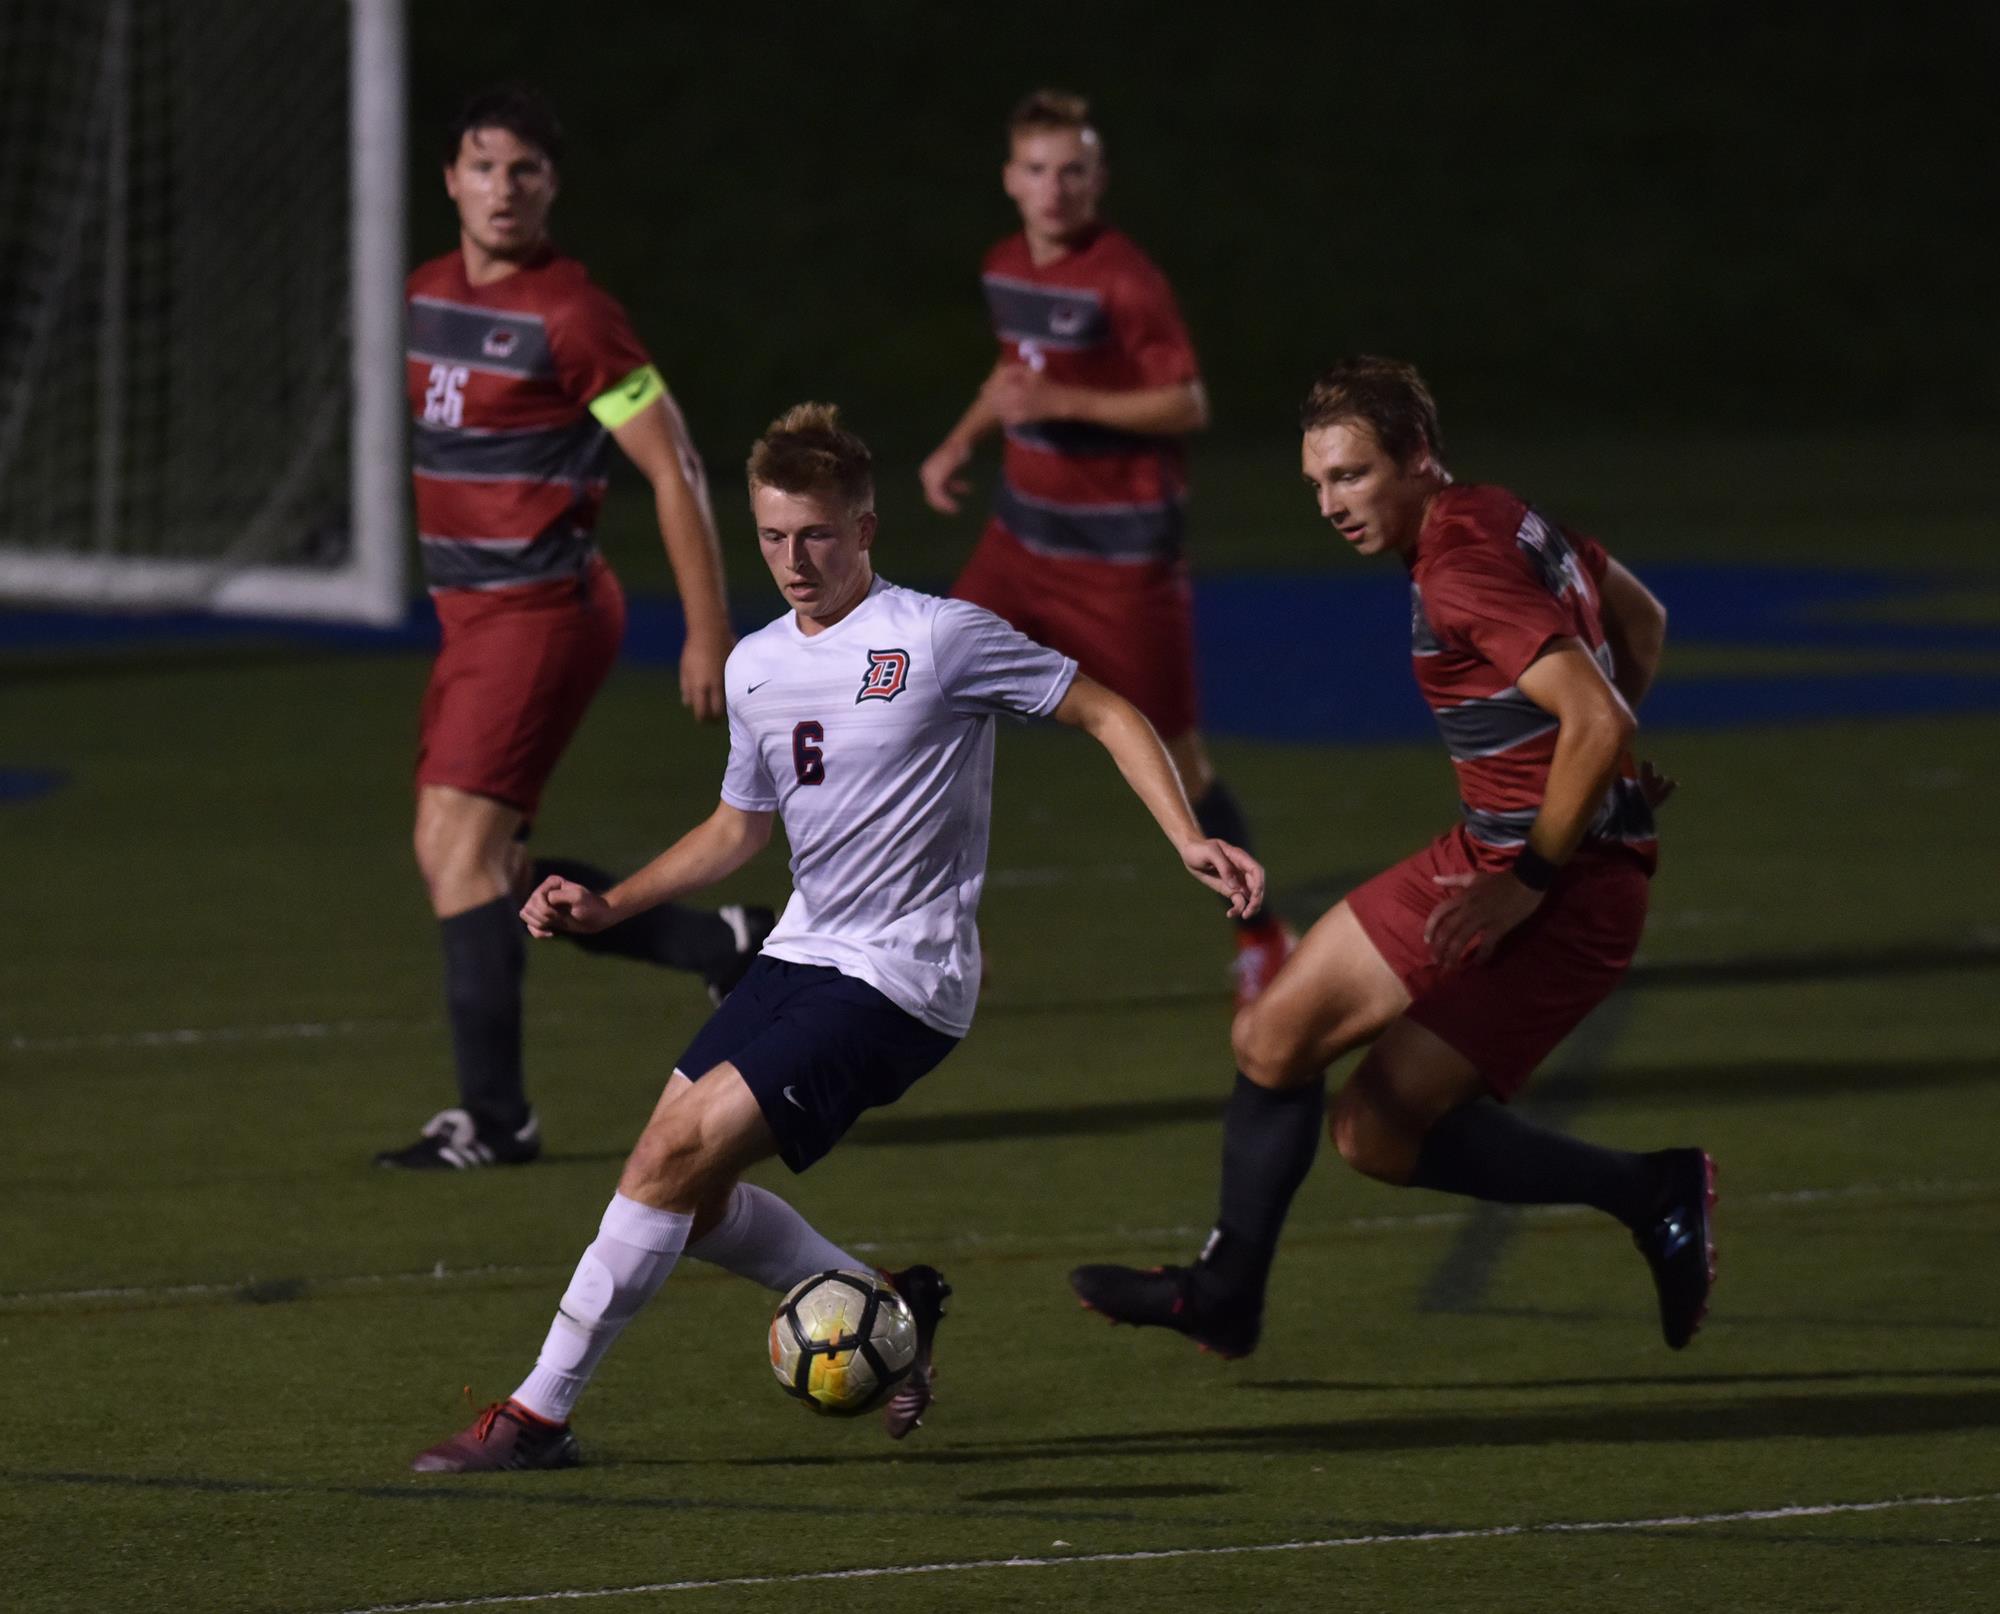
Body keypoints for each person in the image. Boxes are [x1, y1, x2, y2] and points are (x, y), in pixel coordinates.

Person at [409, 403, 1264, 1470]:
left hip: (903, 980)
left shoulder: (938, 637)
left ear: (864, 526)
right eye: (771, 537)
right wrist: (609, 905)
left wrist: (1185, 836)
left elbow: (1105, 710)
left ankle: (536, 1414)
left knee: (669, 1156)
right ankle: (883, 1307)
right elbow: (738, 829)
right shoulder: (757, 664)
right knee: (693, 1190)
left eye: (815, 534)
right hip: (798, 956)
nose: (792, 560)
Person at [1070, 357, 1714, 1357]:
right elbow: (1639, 621)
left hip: (1566, 895)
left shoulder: (1459, 567)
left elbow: (1588, 709)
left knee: (1373, 1134)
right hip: (1484, 854)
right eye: (1316, 483)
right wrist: (1601, 765)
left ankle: (1648, 1190)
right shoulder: (1492, 512)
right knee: (1271, 1037)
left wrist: (1535, 871)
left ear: (1417, 459)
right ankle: (1224, 1293)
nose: (1329, 504)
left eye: (1351, 476)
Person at [378, 87, 769, 1173]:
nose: (504, 189)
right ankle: (715, 941)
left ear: (551, 188)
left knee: (457, 855)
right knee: (471, 857)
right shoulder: (422, 295)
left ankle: (497, 1122)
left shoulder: (573, 316)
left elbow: (672, 464)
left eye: (526, 172)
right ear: (451, 179)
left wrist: (706, 631)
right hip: (472, 620)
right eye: (483, 166)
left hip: (540, 616)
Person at [919, 88, 1294, 1009]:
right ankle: (933, 927)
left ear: (1097, 179)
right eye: (1039, 169)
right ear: (1011, 179)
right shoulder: (1006, 264)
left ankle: (1265, 937)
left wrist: (1065, 408)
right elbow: (1017, 376)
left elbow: (1187, 404)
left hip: (1122, 562)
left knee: (1176, 757)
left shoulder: (1126, 278)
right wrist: (961, 439)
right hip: (1019, 541)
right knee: (920, 695)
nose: (1055, 188)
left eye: (1073, 170)